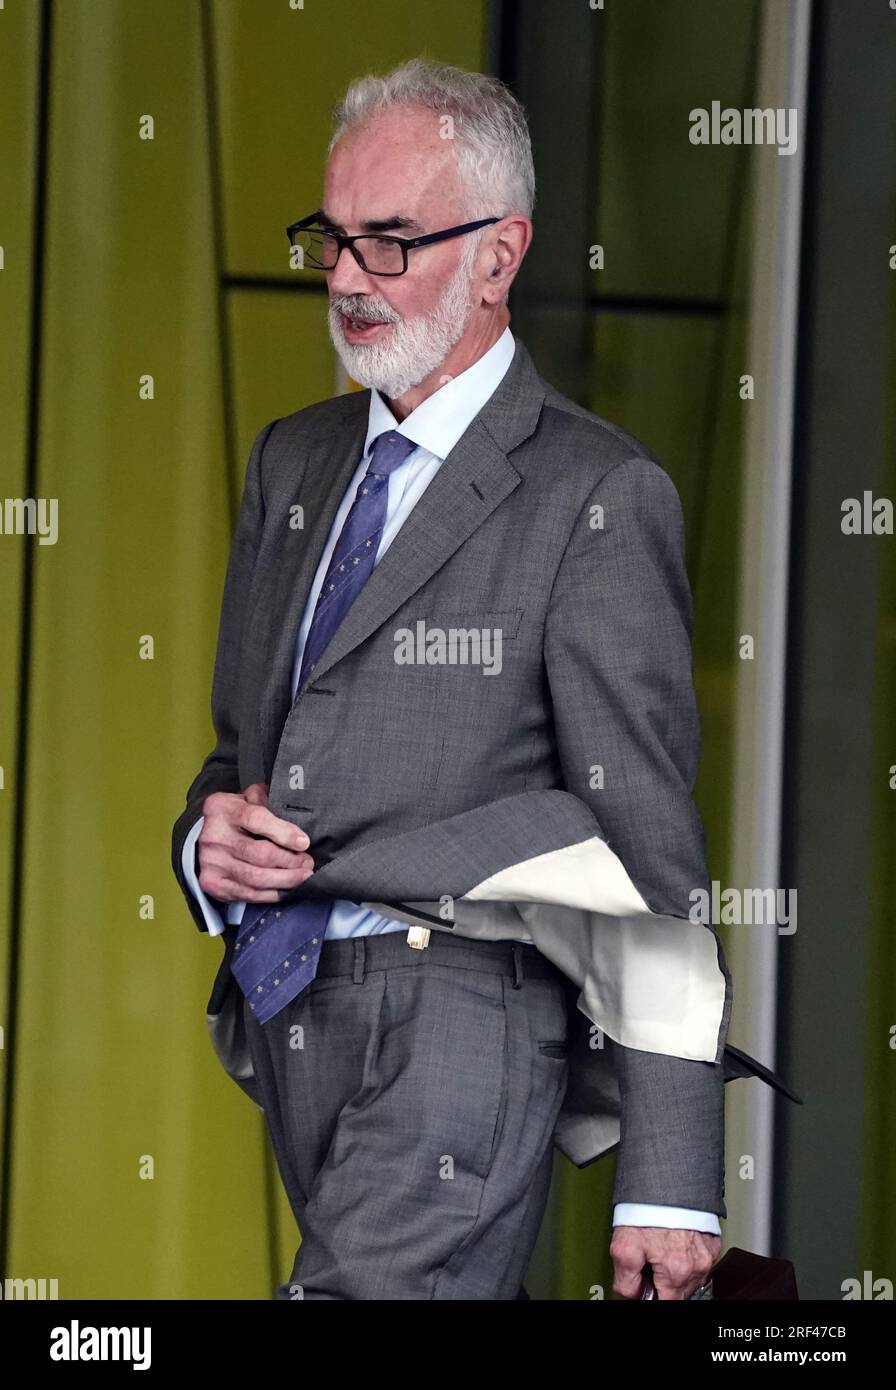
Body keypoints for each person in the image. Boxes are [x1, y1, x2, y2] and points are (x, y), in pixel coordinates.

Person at [172, 57, 733, 1300]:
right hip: (295, 1009)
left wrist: (669, 1176)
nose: (346, 280)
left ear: (498, 255)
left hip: (467, 1017)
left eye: (391, 242)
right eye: (330, 238)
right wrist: (206, 844)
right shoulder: (292, 463)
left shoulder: (594, 492)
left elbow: (647, 845)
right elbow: (240, 754)